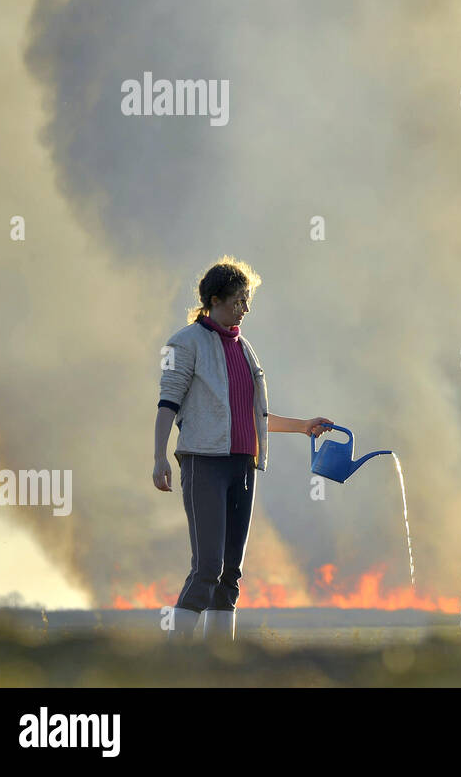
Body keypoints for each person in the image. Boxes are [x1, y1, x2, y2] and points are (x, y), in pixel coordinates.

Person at [152, 256, 333, 643]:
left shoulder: (244, 348)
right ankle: (170, 659)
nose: (245, 309)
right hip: (205, 463)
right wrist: (159, 457)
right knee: (207, 569)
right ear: (215, 300)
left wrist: (302, 427)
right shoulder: (185, 343)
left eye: (247, 301)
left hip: (243, 466)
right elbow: (167, 402)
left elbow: (254, 415)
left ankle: (222, 664)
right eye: (239, 301)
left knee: (230, 574)